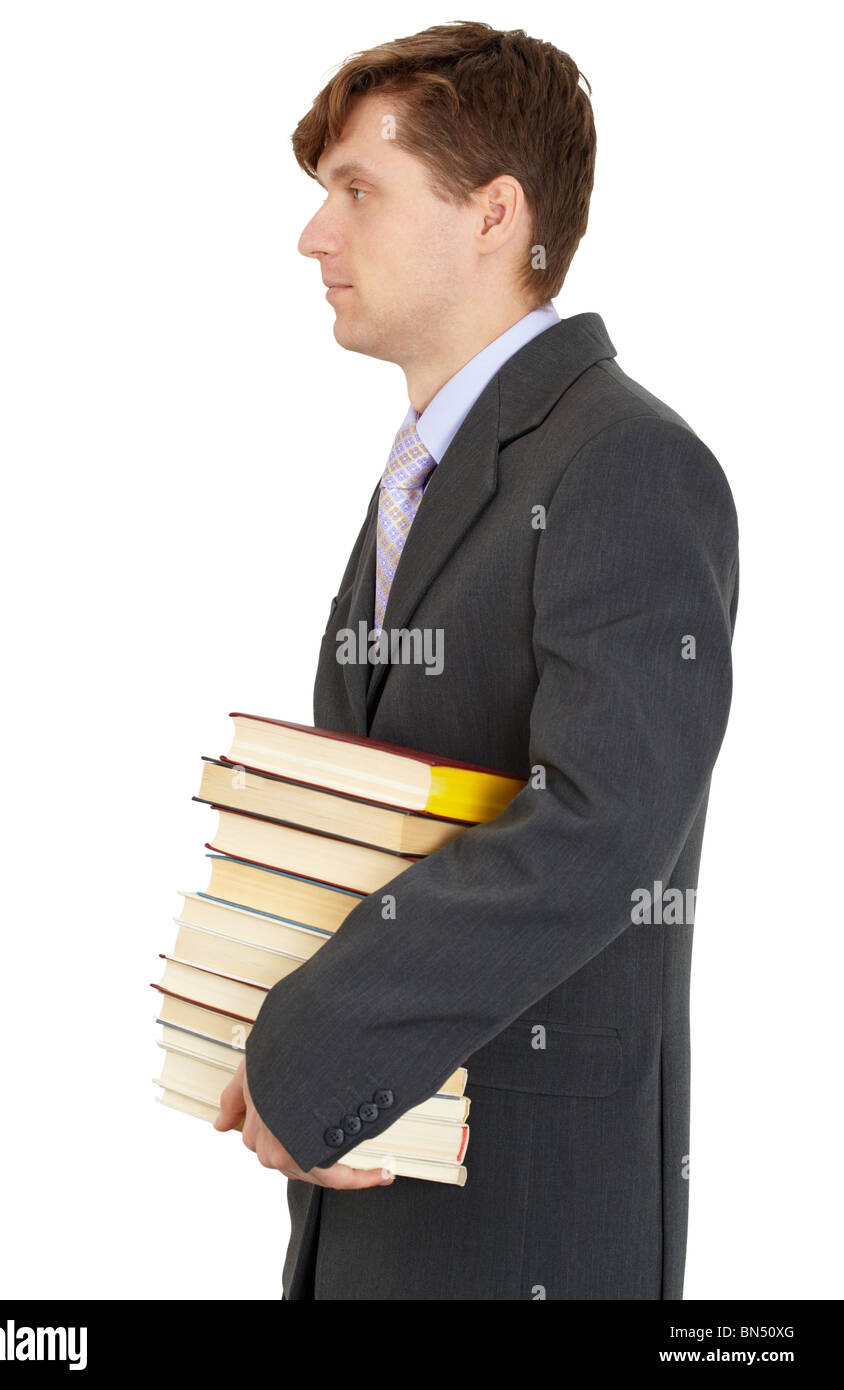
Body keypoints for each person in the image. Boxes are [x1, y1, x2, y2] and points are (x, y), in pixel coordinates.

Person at [214, 20, 739, 1301]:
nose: (314, 235)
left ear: (494, 214)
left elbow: (604, 822)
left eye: (357, 191)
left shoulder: (622, 460)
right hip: (371, 1183)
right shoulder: (431, 467)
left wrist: (321, 1042)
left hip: (518, 1219)